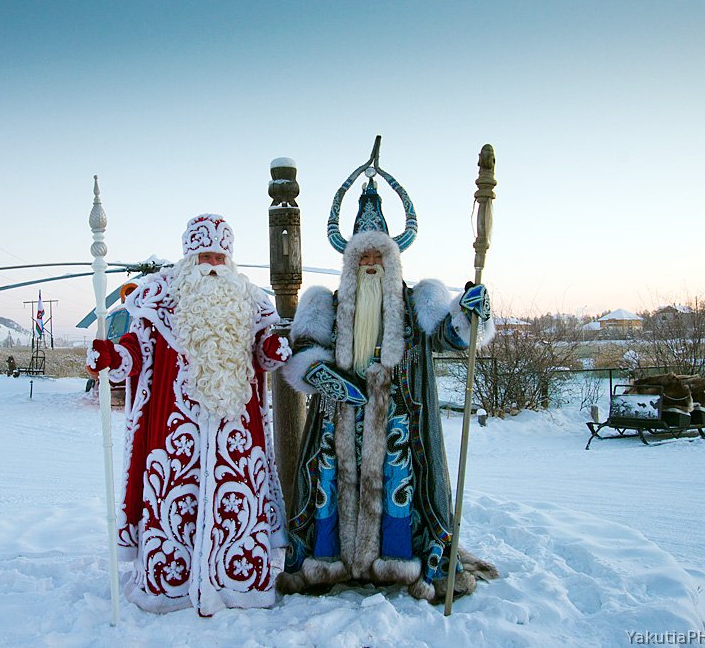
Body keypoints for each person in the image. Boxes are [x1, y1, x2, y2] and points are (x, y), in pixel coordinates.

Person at [278, 175, 498, 603]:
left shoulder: (419, 301)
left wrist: (472, 313)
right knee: (331, 486)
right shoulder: (326, 303)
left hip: (400, 420)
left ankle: (398, 563)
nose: (371, 261)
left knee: (399, 487)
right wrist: (330, 378)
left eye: (379, 254)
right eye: (363, 256)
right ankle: (330, 562)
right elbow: (303, 354)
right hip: (337, 421)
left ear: (394, 259)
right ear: (351, 262)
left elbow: (451, 339)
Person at [86, 214, 292, 616]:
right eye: (204, 256)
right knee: (173, 502)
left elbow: (263, 352)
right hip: (174, 437)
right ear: (188, 257)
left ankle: (238, 587)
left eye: (220, 257)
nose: (212, 265)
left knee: (237, 507)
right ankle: (171, 588)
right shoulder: (157, 298)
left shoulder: (250, 301)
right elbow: (134, 351)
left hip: (236, 439)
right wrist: (111, 357)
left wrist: (273, 351)